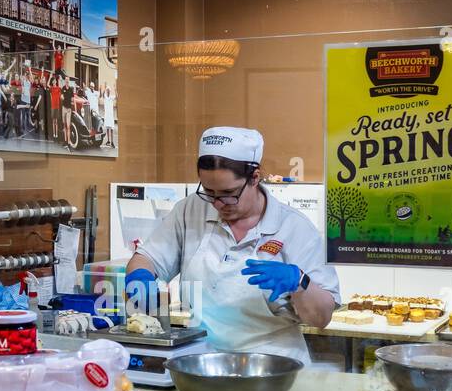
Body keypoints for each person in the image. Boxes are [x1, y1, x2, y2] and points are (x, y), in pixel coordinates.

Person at [124, 127, 339, 363]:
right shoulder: (190, 210)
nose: (218, 203)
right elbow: (146, 258)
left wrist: (299, 282)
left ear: (255, 178)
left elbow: (322, 318)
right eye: (209, 191)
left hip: (275, 365)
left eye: (229, 193)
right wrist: (141, 275)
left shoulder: (294, 228)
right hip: (204, 363)